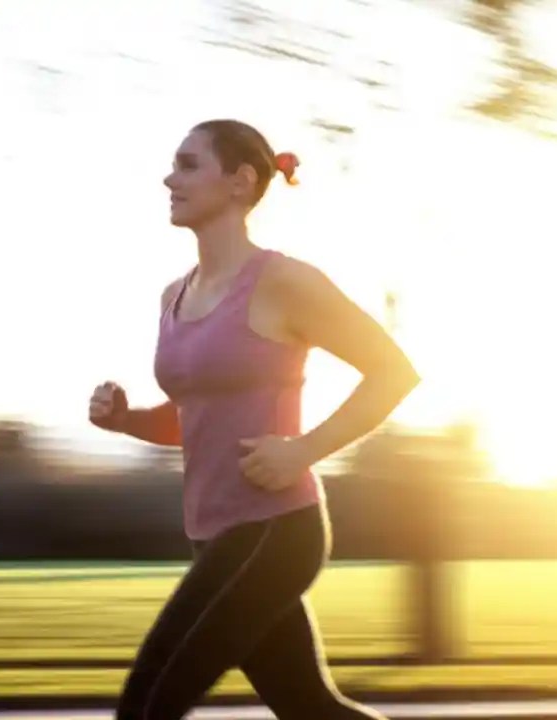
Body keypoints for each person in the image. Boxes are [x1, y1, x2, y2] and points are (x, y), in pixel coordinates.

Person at [87, 119, 420, 720]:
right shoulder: (175, 295)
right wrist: (127, 421)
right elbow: (192, 420)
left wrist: (303, 450)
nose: (170, 177)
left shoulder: (285, 282)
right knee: (310, 707)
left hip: (276, 530)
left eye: (188, 165)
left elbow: (393, 371)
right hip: (210, 534)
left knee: (146, 707)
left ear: (240, 182)